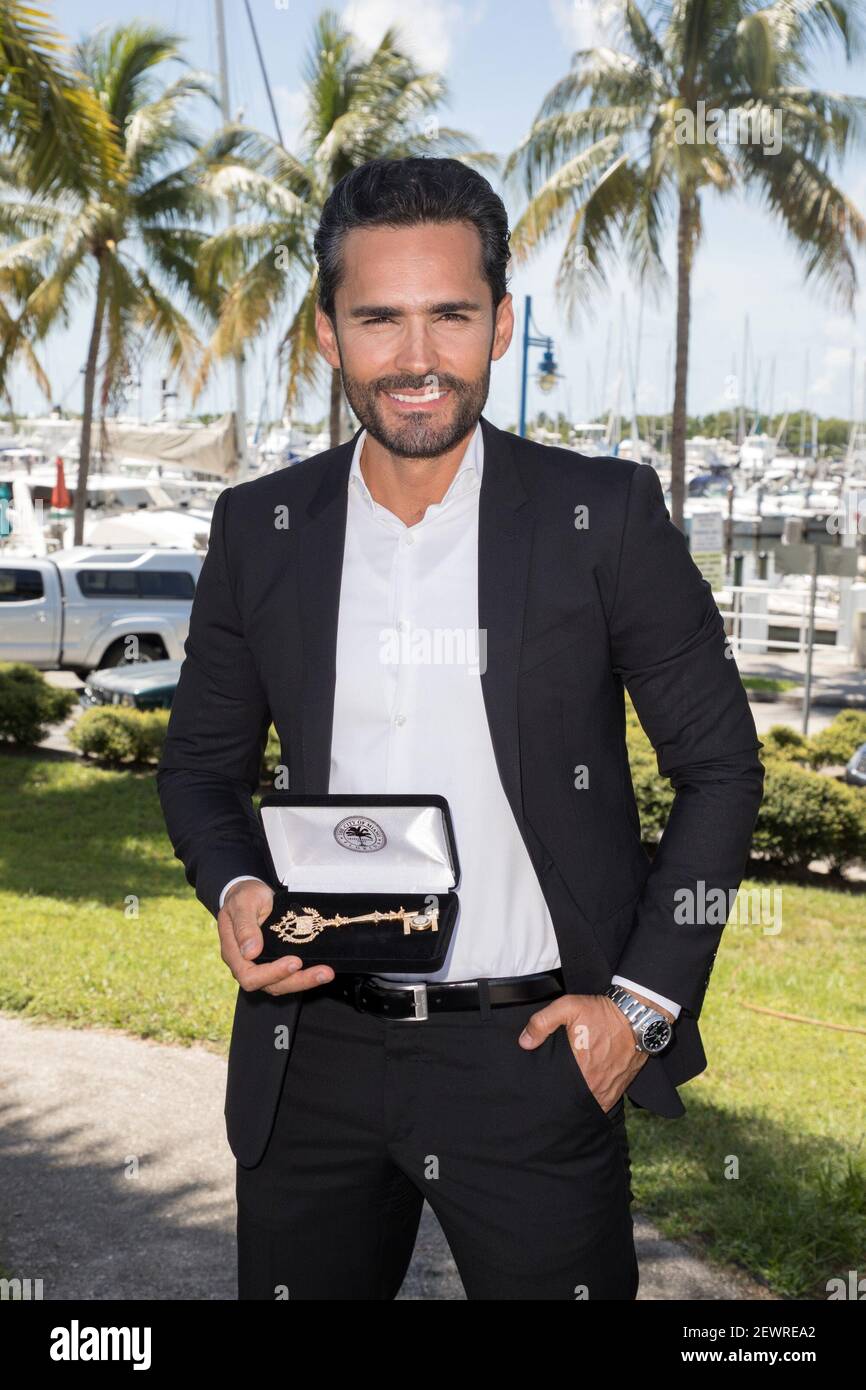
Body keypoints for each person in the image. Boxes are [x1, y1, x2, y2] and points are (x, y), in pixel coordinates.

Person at [156, 156, 765, 1301]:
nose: (417, 358)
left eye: (451, 315)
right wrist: (236, 889)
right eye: (378, 318)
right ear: (326, 334)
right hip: (312, 1053)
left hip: (533, 1055)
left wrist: (638, 1004)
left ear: (499, 325)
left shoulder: (602, 517)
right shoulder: (261, 529)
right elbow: (198, 768)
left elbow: (720, 768)